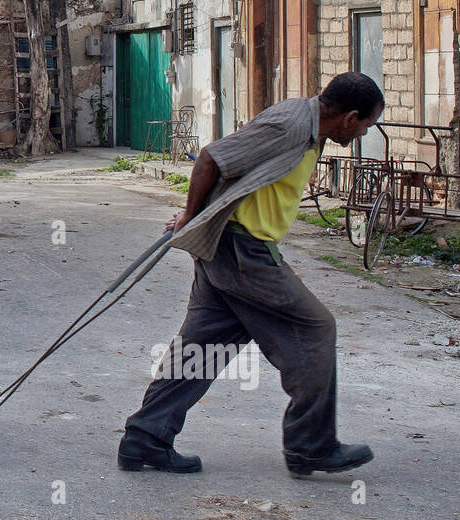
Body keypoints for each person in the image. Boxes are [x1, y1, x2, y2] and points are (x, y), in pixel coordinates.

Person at [118, 72, 384, 477]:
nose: (365, 131)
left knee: (204, 348)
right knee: (316, 329)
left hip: (230, 248)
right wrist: (190, 216)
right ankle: (311, 447)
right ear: (349, 117)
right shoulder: (292, 126)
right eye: (367, 124)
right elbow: (211, 157)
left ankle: (145, 439)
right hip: (244, 252)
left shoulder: (310, 127)